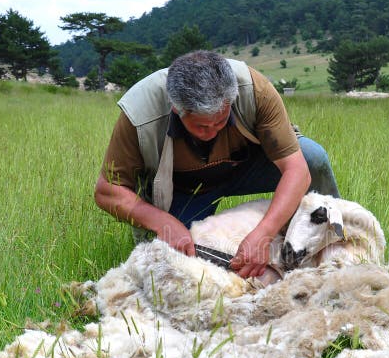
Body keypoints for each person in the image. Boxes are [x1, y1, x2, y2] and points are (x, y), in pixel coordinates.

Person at [94, 50, 340, 279]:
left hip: (245, 166)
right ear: (177, 109)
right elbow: (107, 191)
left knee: (312, 157)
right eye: (201, 126)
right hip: (186, 188)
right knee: (180, 262)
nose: (211, 132)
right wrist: (162, 221)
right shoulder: (140, 113)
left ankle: (336, 243)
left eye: (221, 121)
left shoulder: (254, 89)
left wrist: (264, 232)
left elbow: (296, 170)